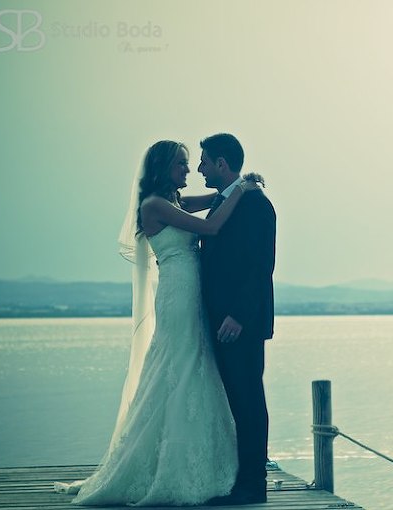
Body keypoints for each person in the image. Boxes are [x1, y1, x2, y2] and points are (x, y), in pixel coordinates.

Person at [55, 140, 257, 505]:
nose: (188, 169)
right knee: (178, 366)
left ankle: (201, 460)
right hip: (178, 294)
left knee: (194, 367)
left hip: (193, 292)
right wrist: (242, 188)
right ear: (164, 168)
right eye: (181, 163)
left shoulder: (175, 202)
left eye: (190, 163)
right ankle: (166, 465)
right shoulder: (155, 205)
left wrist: (238, 186)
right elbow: (210, 228)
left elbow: (215, 201)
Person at [198, 133, 276, 506]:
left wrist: (239, 316)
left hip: (239, 324)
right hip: (221, 322)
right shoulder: (224, 201)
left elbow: (260, 267)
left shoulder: (256, 205)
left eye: (204, 162)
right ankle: (239, 480)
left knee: (248, 402)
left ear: (221, 164)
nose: (200, 168)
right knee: (236, 401)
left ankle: (253, 486)